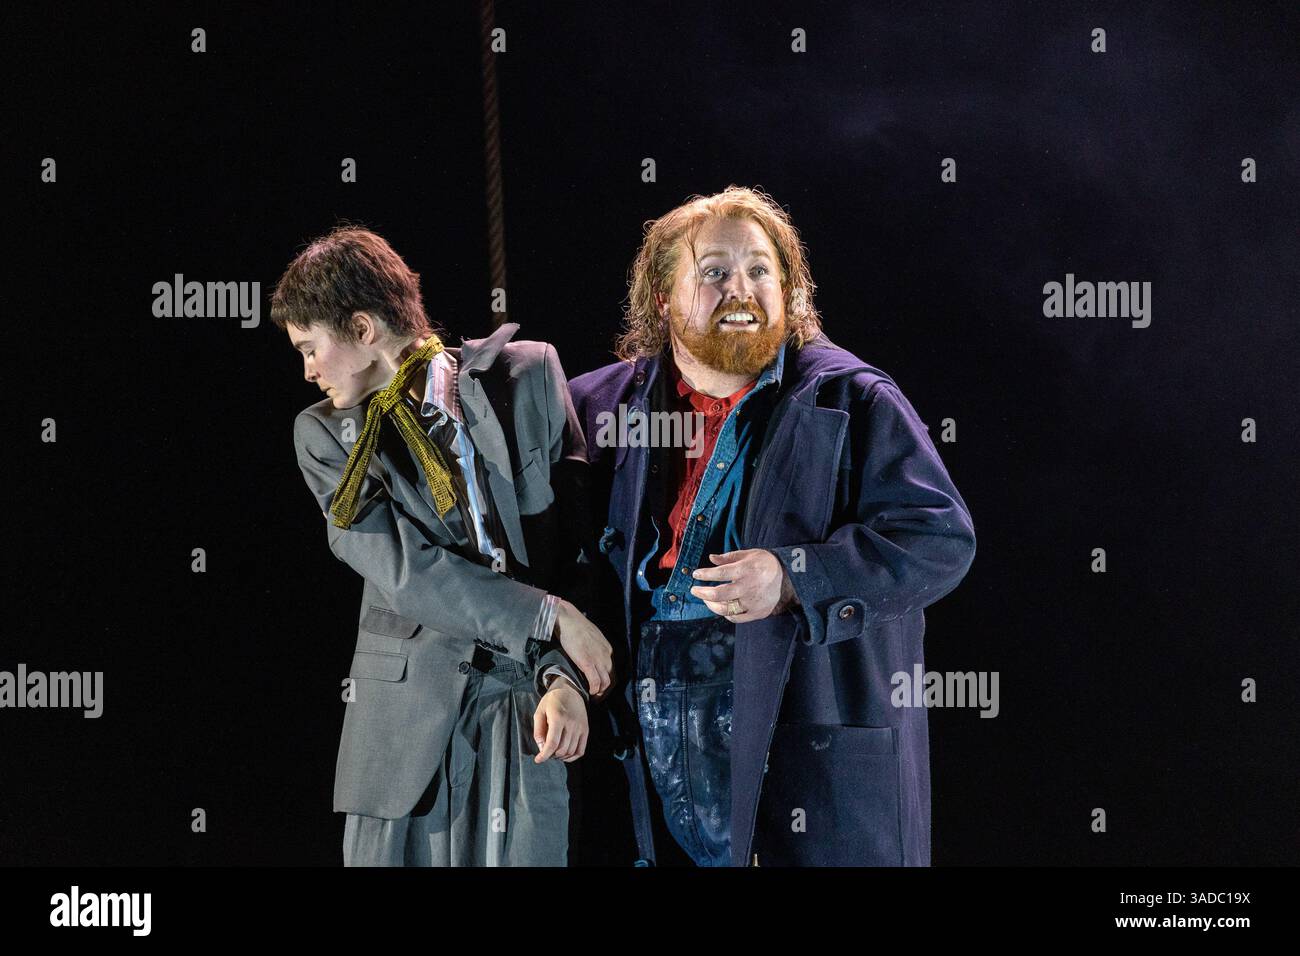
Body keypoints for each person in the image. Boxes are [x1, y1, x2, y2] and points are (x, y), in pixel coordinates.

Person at [570, 186, 977, 866]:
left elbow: (939, 539)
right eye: (715, 272)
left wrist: (793, 576)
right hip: (644, 734)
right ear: (663, 299)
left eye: (761, 270)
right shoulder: (597, 406)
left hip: (796, 731)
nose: (743, 289)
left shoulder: (851, 399)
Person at [272, 225, 613, 866]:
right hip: (406, 717)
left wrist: (563, 676)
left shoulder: (529, 375)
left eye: (310, 347)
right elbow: (411, 574)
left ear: (364, 328)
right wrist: (547, 616)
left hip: (522, 701)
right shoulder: (326, 439)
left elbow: (575, 548)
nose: (309, 370)